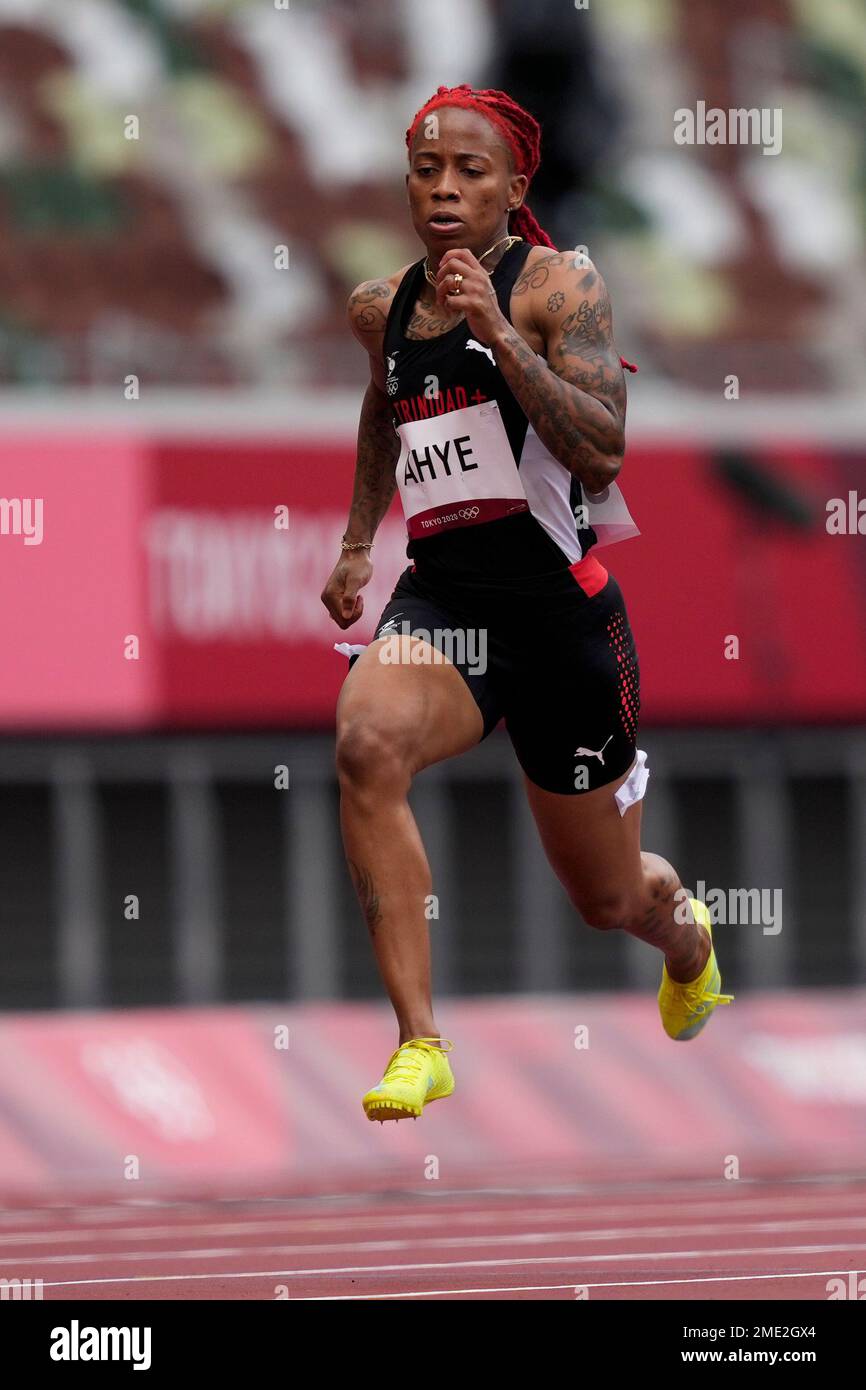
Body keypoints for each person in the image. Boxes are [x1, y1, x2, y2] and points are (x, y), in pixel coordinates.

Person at [321, 84, 732, 1123]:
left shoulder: (559, 289)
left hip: (560, 626)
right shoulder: (380, 306)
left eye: (469, 171)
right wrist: (358, 541)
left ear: (513, 185)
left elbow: (600, 447)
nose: (445, 188)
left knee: (610, 900)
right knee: (365, 747)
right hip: (444, 609)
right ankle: (420, 1041)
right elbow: (385, 408)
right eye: (426, 171)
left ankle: (688, 936)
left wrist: (496, 331)